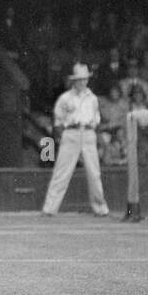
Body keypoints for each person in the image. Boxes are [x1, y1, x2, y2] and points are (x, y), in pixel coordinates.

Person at [41, 63, 109, 217]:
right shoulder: (65, 98)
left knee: (94, 173)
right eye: (79, 79)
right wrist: (61, 137)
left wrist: (95, 135)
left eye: (84, 79)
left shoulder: (93, 98)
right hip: (71, 132)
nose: (82, 82)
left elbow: (96, 119)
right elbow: (58, 121)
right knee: (61, 172)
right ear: (74, 81)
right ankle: (49, 208)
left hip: (88, 132)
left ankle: (100, 208)